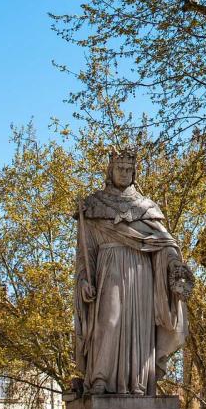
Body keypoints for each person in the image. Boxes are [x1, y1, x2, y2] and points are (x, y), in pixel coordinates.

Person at [72, 148, 192, 396]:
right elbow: (87, 252)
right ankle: (100, 379)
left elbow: (166, 244)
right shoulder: (93, 206)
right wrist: (85, 279)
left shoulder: (146, 207)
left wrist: (175, 269)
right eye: (120, 169)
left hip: (141, 273)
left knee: (140, 326)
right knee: (110, 320)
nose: (125, 174)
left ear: (135, 172)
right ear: (110, 171)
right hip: (109, 269)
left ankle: (139, 383)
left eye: (129, 169)